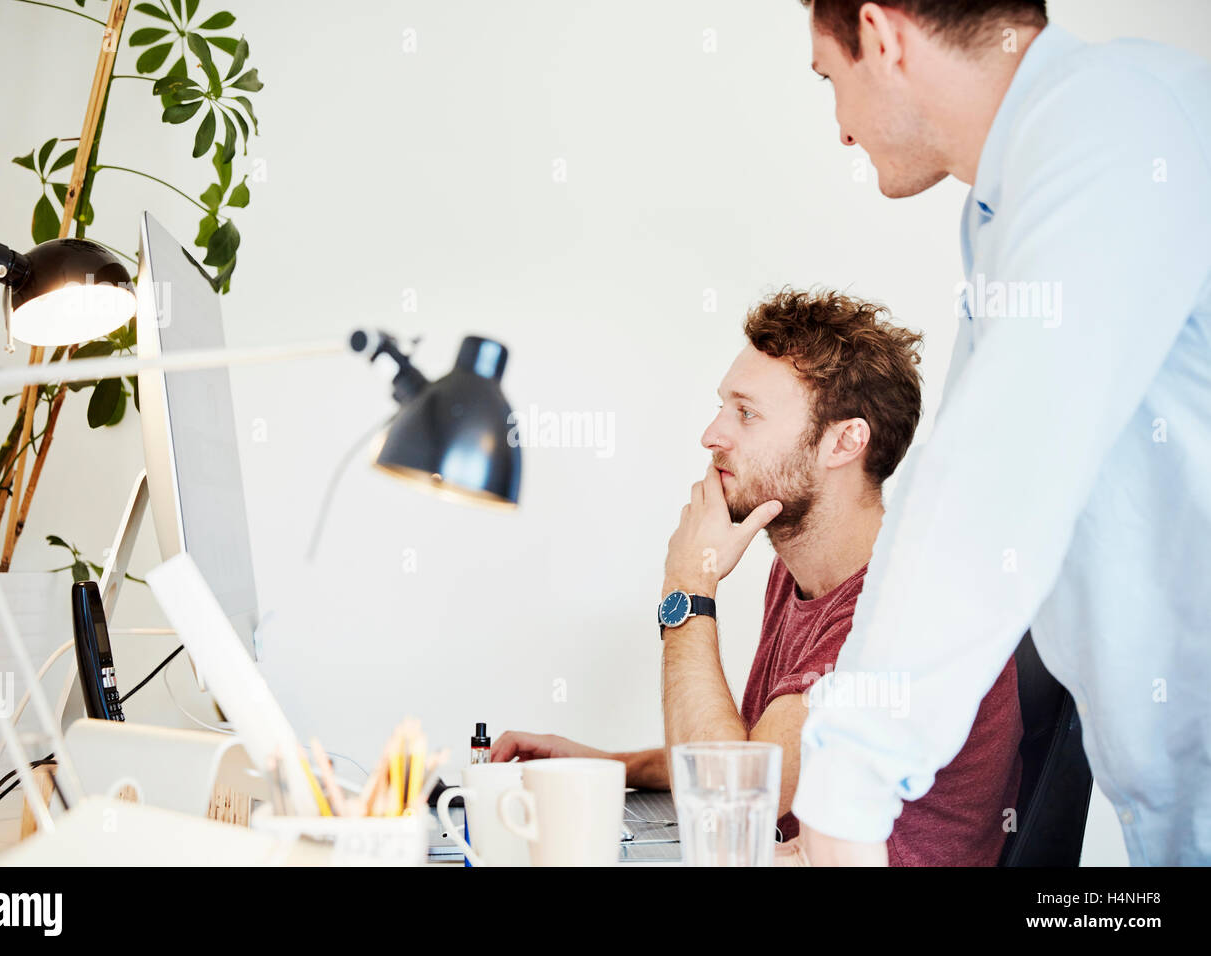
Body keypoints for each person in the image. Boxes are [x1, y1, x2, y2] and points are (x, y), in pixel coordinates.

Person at [793, 1, 1211, 865]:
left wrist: (847, 790)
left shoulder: (1112, 128)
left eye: (830, 80)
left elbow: (989, 493)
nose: (840, 129)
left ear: (881, 37)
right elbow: (939, 497)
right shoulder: (1009, 202)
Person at [493, 288, 1023, 865]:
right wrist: (603, 767)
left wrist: (687, 591)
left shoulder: (897, 613)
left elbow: (726, 795)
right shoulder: (796, 570)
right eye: (723, 406)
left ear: (844, 441)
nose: (712, 434)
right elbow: (751, 756)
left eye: (746, 412)